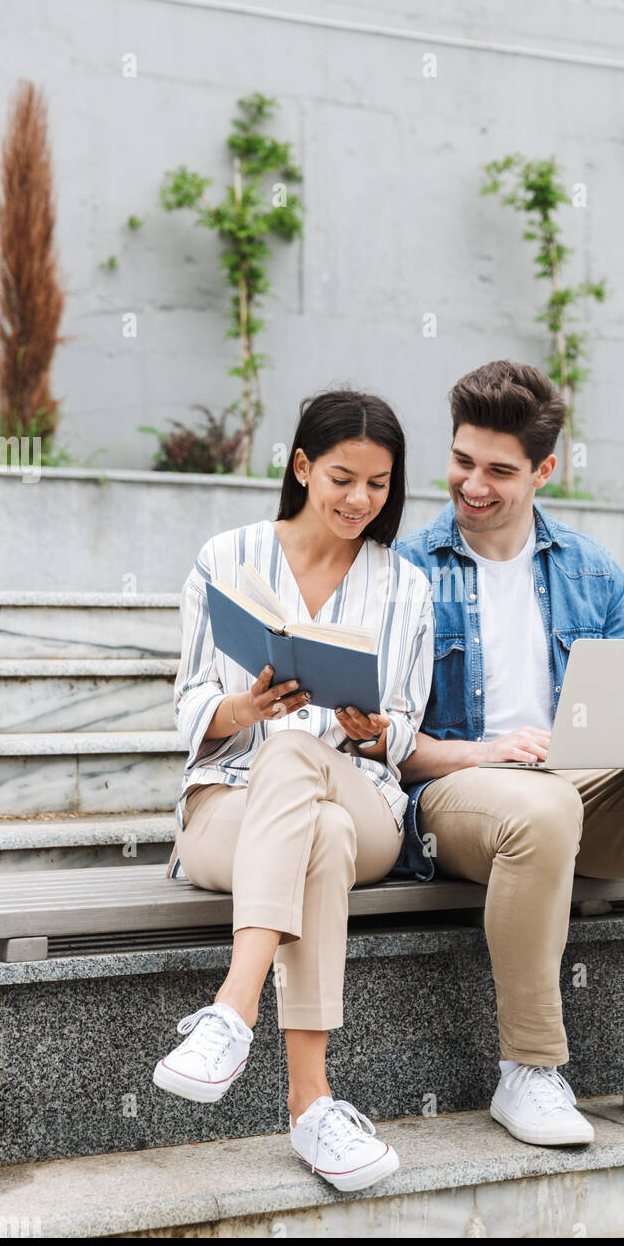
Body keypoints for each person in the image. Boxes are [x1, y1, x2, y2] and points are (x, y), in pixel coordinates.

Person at [394, 359, 624, 1147]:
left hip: (573, 792)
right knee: (544, 804)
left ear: (543, 471)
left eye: (499, 470)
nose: (473, 485)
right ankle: (528, 1071)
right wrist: (486, 752)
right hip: (456, 791)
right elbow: (383, 744)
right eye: (462, 461)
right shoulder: (404, 569)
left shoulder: (592, 570)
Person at [155, 389, 433, 1193]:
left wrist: (375, 727)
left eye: (379, 485)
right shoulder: (227, 559)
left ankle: (232, 1013)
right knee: (309, 811)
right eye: (344, 478)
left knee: (307, 764)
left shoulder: (403, 585)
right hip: (228, 805)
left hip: (364, 800)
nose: (360, 501)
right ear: (303, 467)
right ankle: (312, 1106)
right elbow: (188, 705)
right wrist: (246, 708)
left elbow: (408, 730)